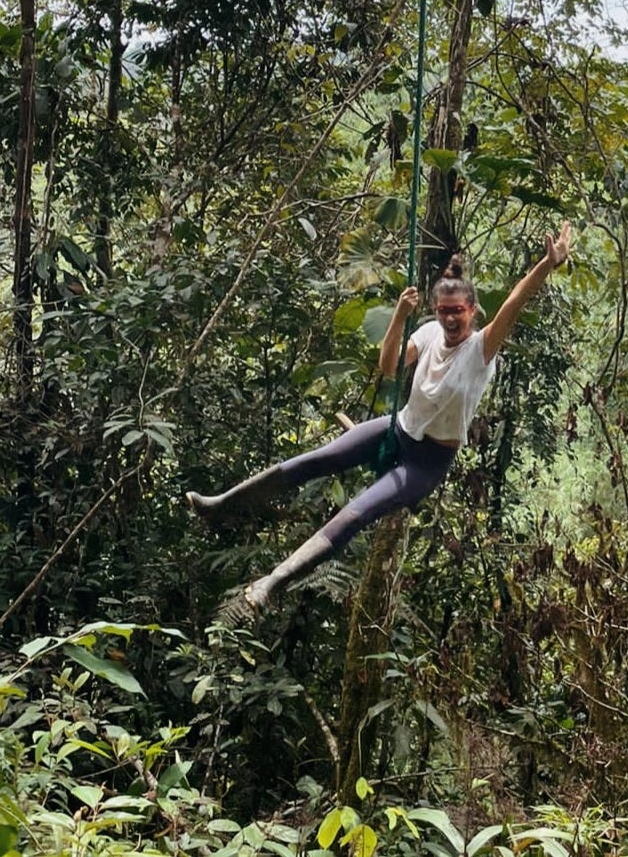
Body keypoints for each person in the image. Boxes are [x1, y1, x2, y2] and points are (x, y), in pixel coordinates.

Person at [187, 223, 572, 618]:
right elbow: (388, 369)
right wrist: (399, 318)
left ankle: (271, 583)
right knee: (314, 461)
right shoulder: (426, 334)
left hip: (426, 462)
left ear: (472, 311)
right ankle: (220, 505)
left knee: (353, 514)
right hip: (398, 429)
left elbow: (513, 304)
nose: (451, 320)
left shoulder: (481, 350)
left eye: (457, 312)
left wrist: (546, 264)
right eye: (443, 312)